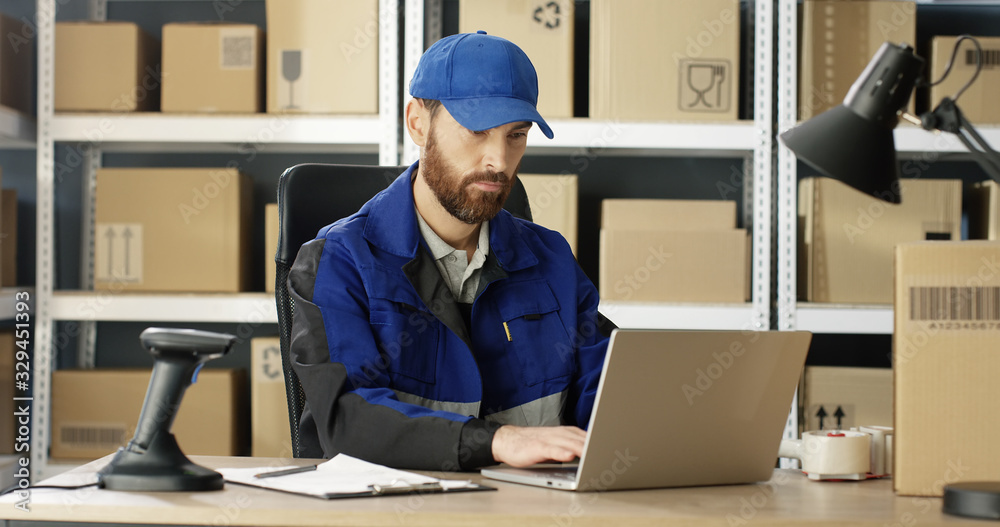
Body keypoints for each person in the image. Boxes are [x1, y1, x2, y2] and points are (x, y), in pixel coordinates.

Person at [288, 31, 609, 471]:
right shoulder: (339, 263)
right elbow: (346, 419)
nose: (499, 159)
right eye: (477, 130)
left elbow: (611, 393)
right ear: (418, 122)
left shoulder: (552, 261)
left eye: (516, 135)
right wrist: (496, 442)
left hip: (534, 514)